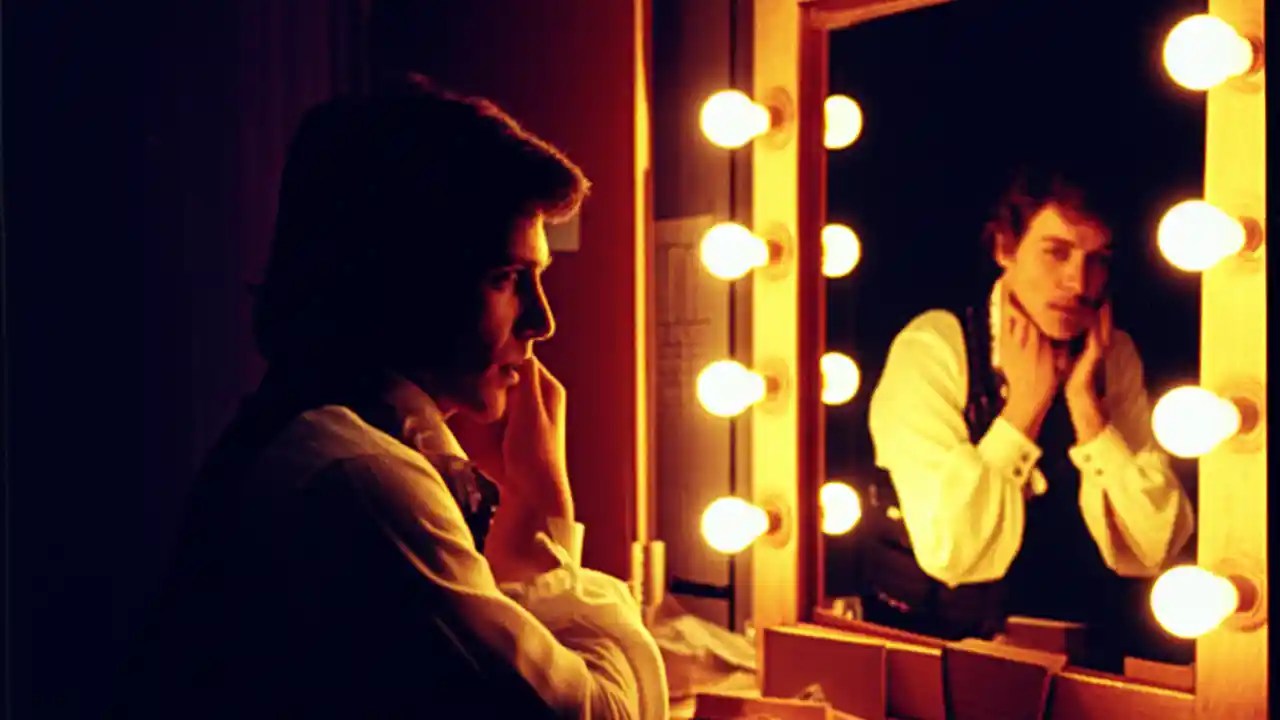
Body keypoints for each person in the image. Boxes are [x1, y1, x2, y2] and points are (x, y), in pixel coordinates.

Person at [120, 76, 668, 718]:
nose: (542, 320)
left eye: (536, 278)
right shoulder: (361, 482)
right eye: (505, 278)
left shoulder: (328, 437)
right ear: (400, 280)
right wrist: (540, 527)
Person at [854, 167, 1194, 668]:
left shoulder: (1111, 356)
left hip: (1069, 666)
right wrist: (1024, 410)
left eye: (1098, 260)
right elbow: (954, 553)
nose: (1080, 283)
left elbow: (1152, 548)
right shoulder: (933, 348)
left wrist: (1087, 411)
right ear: (1005, 250)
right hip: (923, 658)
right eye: (1056, 252)